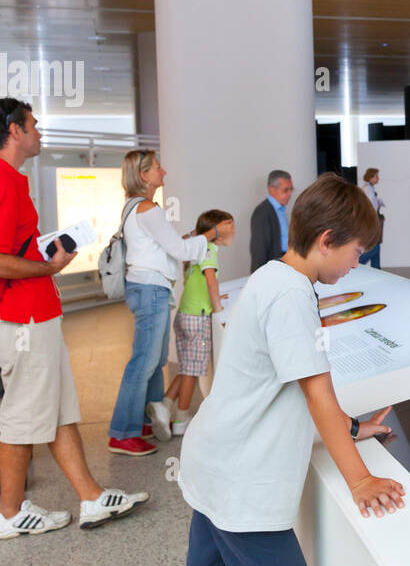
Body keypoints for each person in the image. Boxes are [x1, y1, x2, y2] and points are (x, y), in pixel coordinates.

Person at [176, 173, 404, 566]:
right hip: (243, 481)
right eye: (356, 252)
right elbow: (316, 393)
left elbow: (287, 387)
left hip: (213, 461)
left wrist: (356, 426)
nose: (356, 263)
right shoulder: (292, 295)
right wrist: (360, 479)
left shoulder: (271, 276)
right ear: (326, 241)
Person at [0, 97, 147, 539]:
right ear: (14, 131)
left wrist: (41, 256)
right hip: (19, 318)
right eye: (34, 125)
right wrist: (48, 267)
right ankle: (8, 514)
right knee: (24, 415)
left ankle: (91, 497)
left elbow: (1, 250)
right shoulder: (0, 180)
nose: (40, 133)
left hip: (32, 315)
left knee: (59, 410)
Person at [109, 149, 218, 454]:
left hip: (147, 288)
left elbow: (165, 247)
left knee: (154, 362)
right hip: (151, 290)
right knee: (143, 363)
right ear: (144, 175)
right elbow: (180, 252)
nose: (164, 172)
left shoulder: (133, 208)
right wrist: (211, 235)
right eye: (158, 168)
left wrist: (189, 239)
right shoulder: (148, 210)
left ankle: (149, 419)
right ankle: (122, 433)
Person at [164, 209, 235, 436]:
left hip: (185, 314)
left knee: (187, 367)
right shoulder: (209, 248)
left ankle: (164, 405)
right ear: (216, 232)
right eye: (228, 226)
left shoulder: (196, 249)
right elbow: (211, 283)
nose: (233, 230)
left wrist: (213, 297)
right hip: (198, 318)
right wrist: (220, 312)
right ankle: (181, 421)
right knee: (193, 370)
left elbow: (201, 284)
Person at [249, 170, 293, 272]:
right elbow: (258, 249)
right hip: (271, 269)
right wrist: (258, 276)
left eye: (291, 189)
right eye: (285, 190)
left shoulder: (281, 210)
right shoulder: (262, 212)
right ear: (271, 190)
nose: (289, 194)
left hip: (284, 264)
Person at [358, 167, 384, 268]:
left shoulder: (369, 188)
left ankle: (377, 269)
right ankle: (358, 263)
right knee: (375, 246)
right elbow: (370, 206)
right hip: (370, 220)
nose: (378, 178)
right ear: (370, 177)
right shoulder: (368, 189)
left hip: (370, 219)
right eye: (376, 176)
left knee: (376, 245)